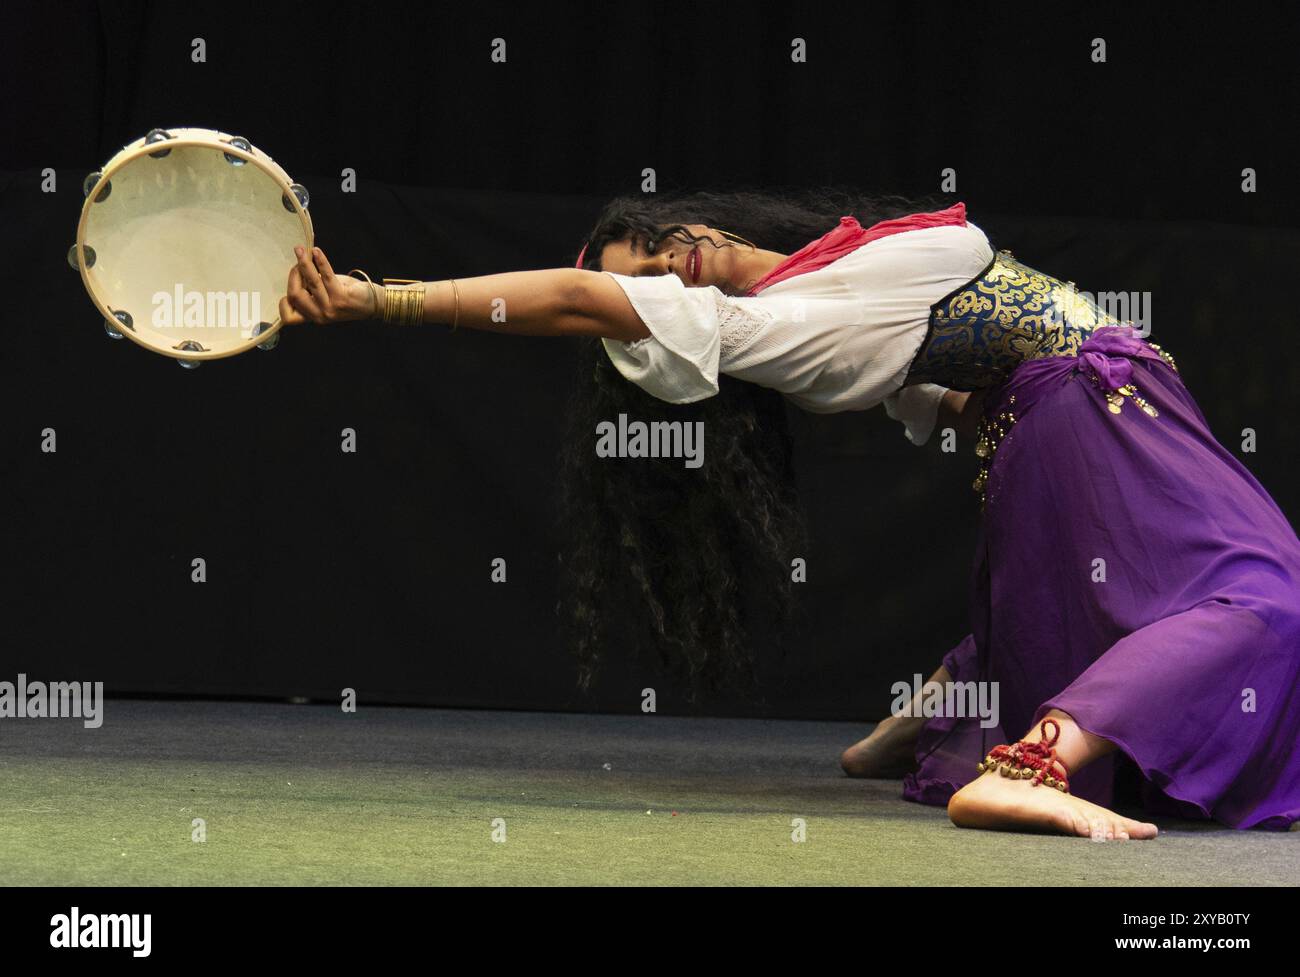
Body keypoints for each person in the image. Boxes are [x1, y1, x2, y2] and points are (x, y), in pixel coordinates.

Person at [279, 191, 1300, 839]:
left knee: (1174, 603)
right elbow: (574, 302)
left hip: (1092, 422)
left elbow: (957, 398)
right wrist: (381, 300)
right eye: (634, 287)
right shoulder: (775, 327)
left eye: (645, 247)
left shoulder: (835, 280)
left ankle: (932, 716)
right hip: (1098, 415)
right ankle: (1023, 765)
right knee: (1261, 603)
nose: (659, 270)